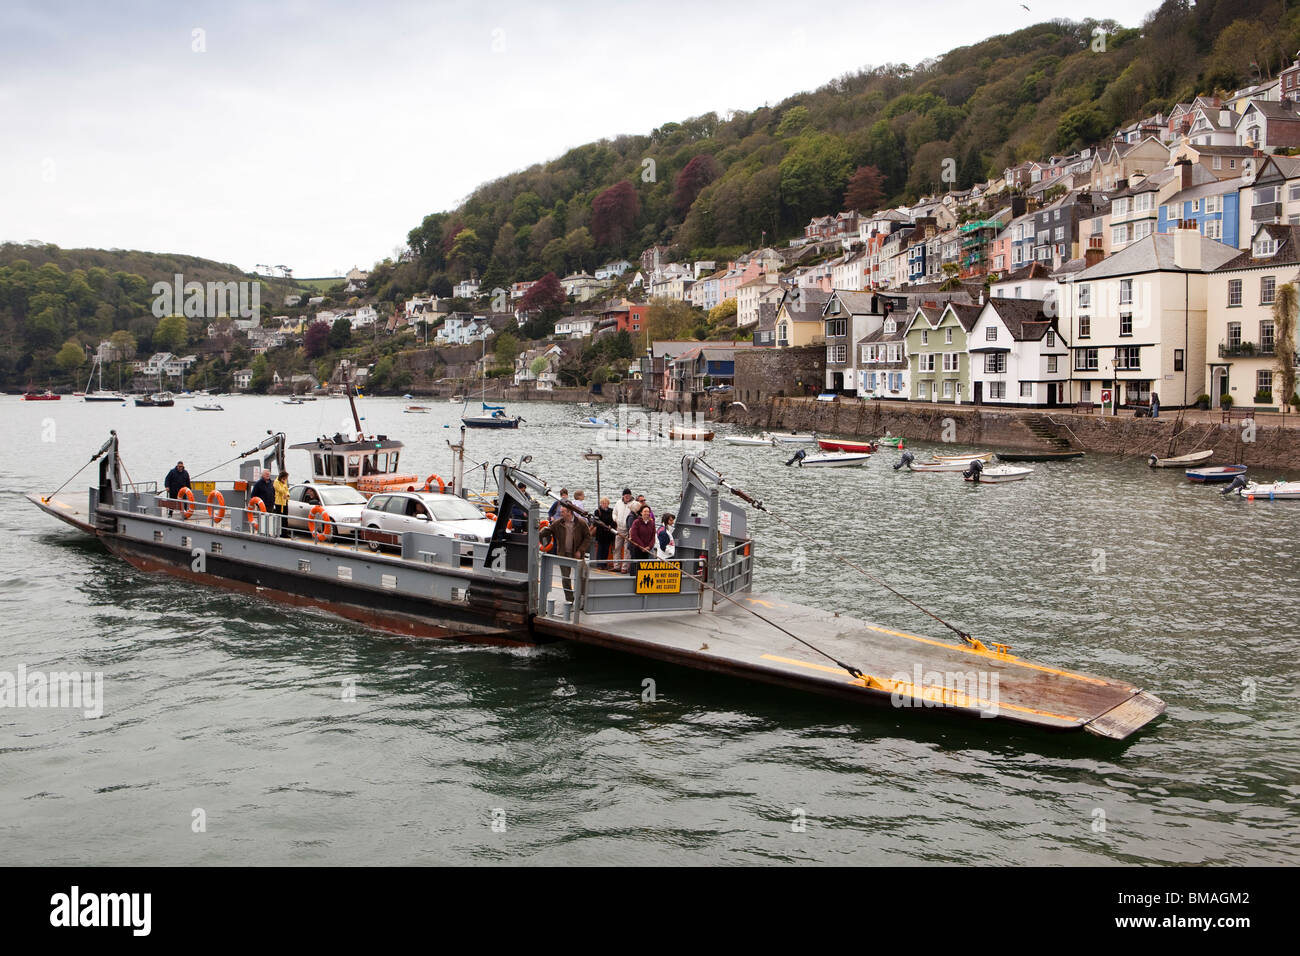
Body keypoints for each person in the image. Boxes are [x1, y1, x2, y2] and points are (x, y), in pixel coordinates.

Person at [538, 501, 592, 602]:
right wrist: (537, 532)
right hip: (563, 554)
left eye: (563, 512)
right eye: (561, 511)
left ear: (569, 512)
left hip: (577, 554)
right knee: (565, 578)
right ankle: (570, 600)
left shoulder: (581, 523)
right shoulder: (558, 523)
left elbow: (588, 537)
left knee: (583, 576)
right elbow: (548, 530)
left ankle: (582, 599)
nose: (560, 513)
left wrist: (581, 550)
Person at [628, 502, 657, 572]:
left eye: (648, 512)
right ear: (641, 512)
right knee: (635, 566)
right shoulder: (636, 522)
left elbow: (653, 536)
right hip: (637, 548)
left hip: (647, 549)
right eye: (645, 511)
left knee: (644, 567)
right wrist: (642, 546)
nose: (647, 513)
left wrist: (649, 547)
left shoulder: (652, 523)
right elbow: (634, 535)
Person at [611, 487, 634, 572]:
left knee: (626, 550)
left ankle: (624, 567)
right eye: (625, 495)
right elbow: (614, 513)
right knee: (617, 547)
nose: (627, 496)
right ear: (623, 495)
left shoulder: (633, 504)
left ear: (631, 495)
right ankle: (616, 566)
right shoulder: (618, 503)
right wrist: (615, 519)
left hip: (628, 530)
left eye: (628, 495)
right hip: (619, 529)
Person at [593, 496, 616, 565]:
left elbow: (613, 520)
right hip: (600, 533)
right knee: (600, 549)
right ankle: (599, 564)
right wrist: (603, 526)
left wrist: (610, 526)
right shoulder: (597, 511)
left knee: (606, 549)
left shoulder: (611, 511)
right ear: (600, 503)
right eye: (603, 503)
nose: (604, 504)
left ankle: (604, 564)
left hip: (608, 533)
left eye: (605, 503)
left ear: (608, 503)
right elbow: (596, 521)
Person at [274, 470, 291, 537]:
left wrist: (287, 495)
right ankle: (278, 532)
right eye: (284, 478)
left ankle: (285, 533)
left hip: (284, 501)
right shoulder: (276, 482)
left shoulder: (284, 481)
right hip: (279, 502)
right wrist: (284, 485)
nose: (285, 480)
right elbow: (280, 490)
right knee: (279, 518)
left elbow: (287, 490)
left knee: (285, 518)